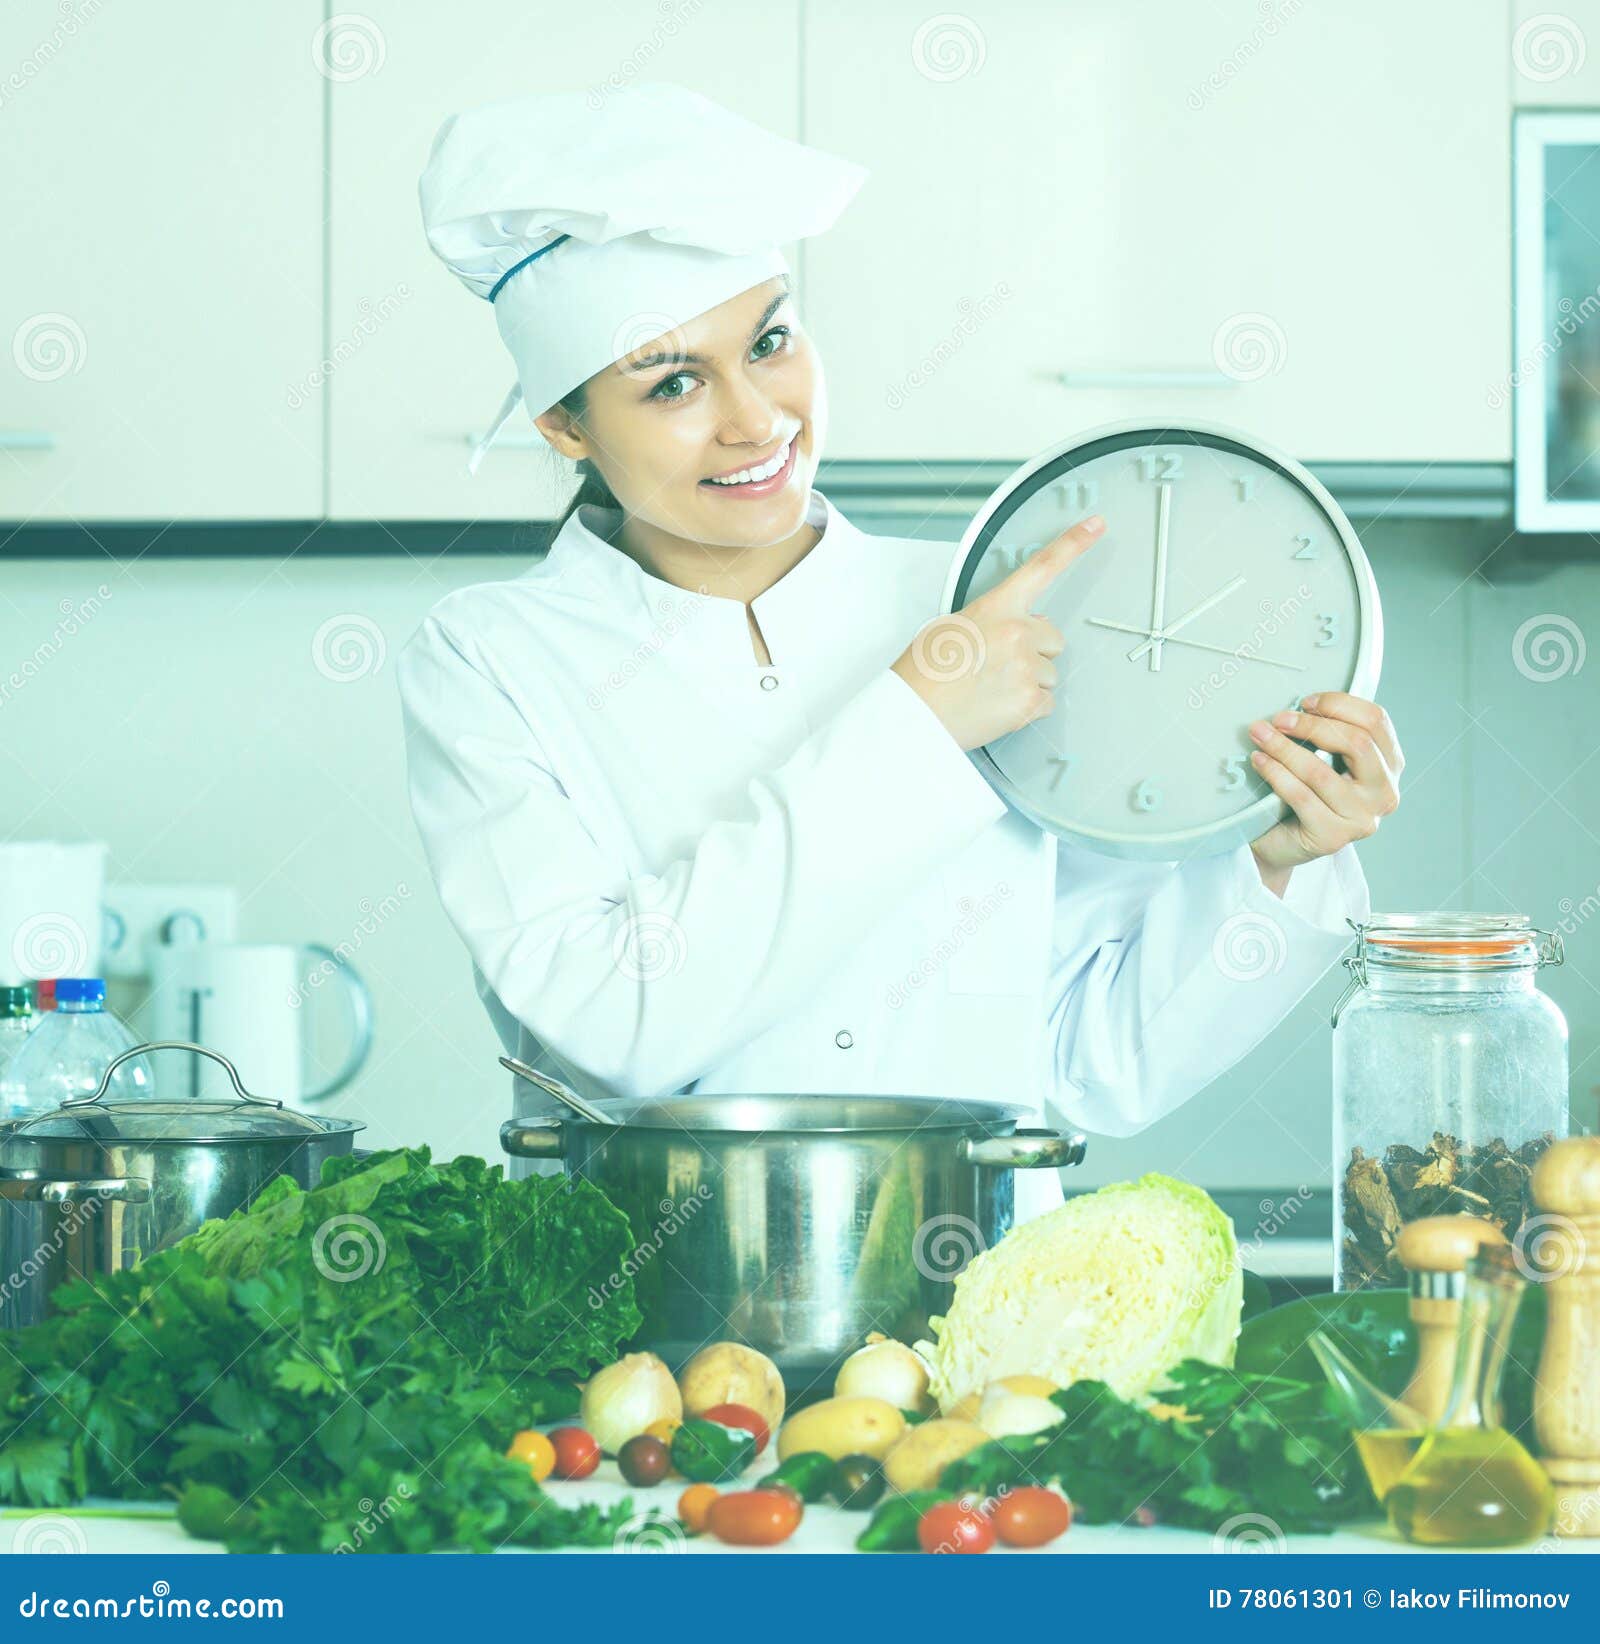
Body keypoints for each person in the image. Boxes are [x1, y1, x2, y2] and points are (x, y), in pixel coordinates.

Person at [399, 84, 1403, 1223]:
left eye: (769, 342)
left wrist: (1268, 860)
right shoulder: (488, 660)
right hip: (642, 1322)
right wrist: (915, 723)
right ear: (564, 426)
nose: (755, 420)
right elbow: (616, 1030)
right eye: (671, 380)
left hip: (970, 1311)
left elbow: (1089, 1061)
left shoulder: (979, 603)